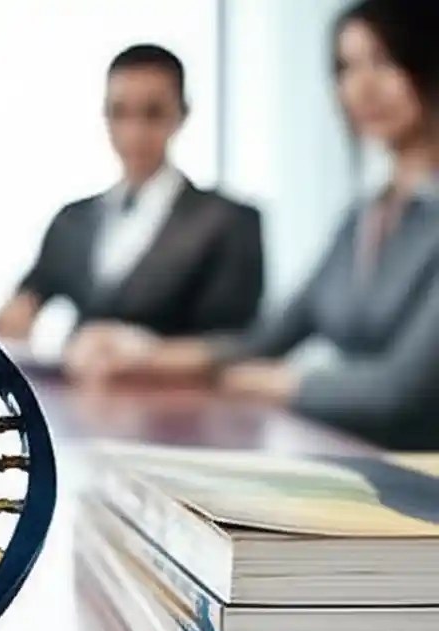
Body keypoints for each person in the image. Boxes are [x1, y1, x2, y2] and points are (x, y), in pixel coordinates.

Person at [67, 0, 439, 451]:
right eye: (346, 67)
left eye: (382, 61)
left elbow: (399, 391)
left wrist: (270, 382)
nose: (361, 86)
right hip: (355, 460)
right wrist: (141, 354)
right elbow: (269, 336)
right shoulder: (364, 215)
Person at [0, 44, 264, 341]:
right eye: (119, 113)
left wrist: (147, 357)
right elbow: (25, 302)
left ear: (181, 115)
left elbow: (236, 343)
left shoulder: (228, 223)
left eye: (153, 113)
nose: (134, 132)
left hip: (175, 387)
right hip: (77, 385)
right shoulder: (72, 221)